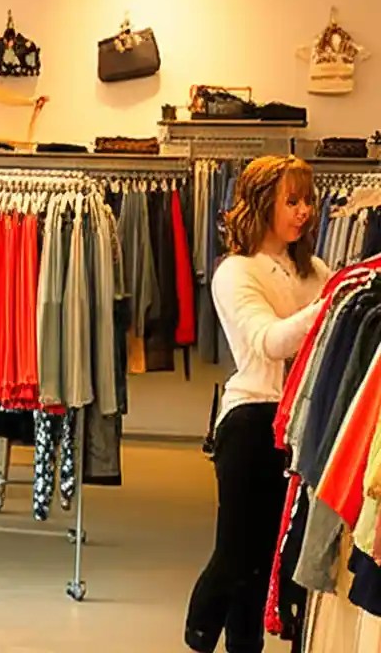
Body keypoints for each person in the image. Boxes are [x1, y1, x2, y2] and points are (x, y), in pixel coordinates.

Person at [186, 156, 330, 652]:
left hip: (301, 425)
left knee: (271, 554)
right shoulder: (235, 272)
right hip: (251, 419)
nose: (304, 211)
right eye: (292, 201)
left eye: (308, 201)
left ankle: (244, 644)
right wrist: (333, 303)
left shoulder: (314, 271)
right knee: (235, 550)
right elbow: (268, 341)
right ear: (263, 202)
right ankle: (200, 632)